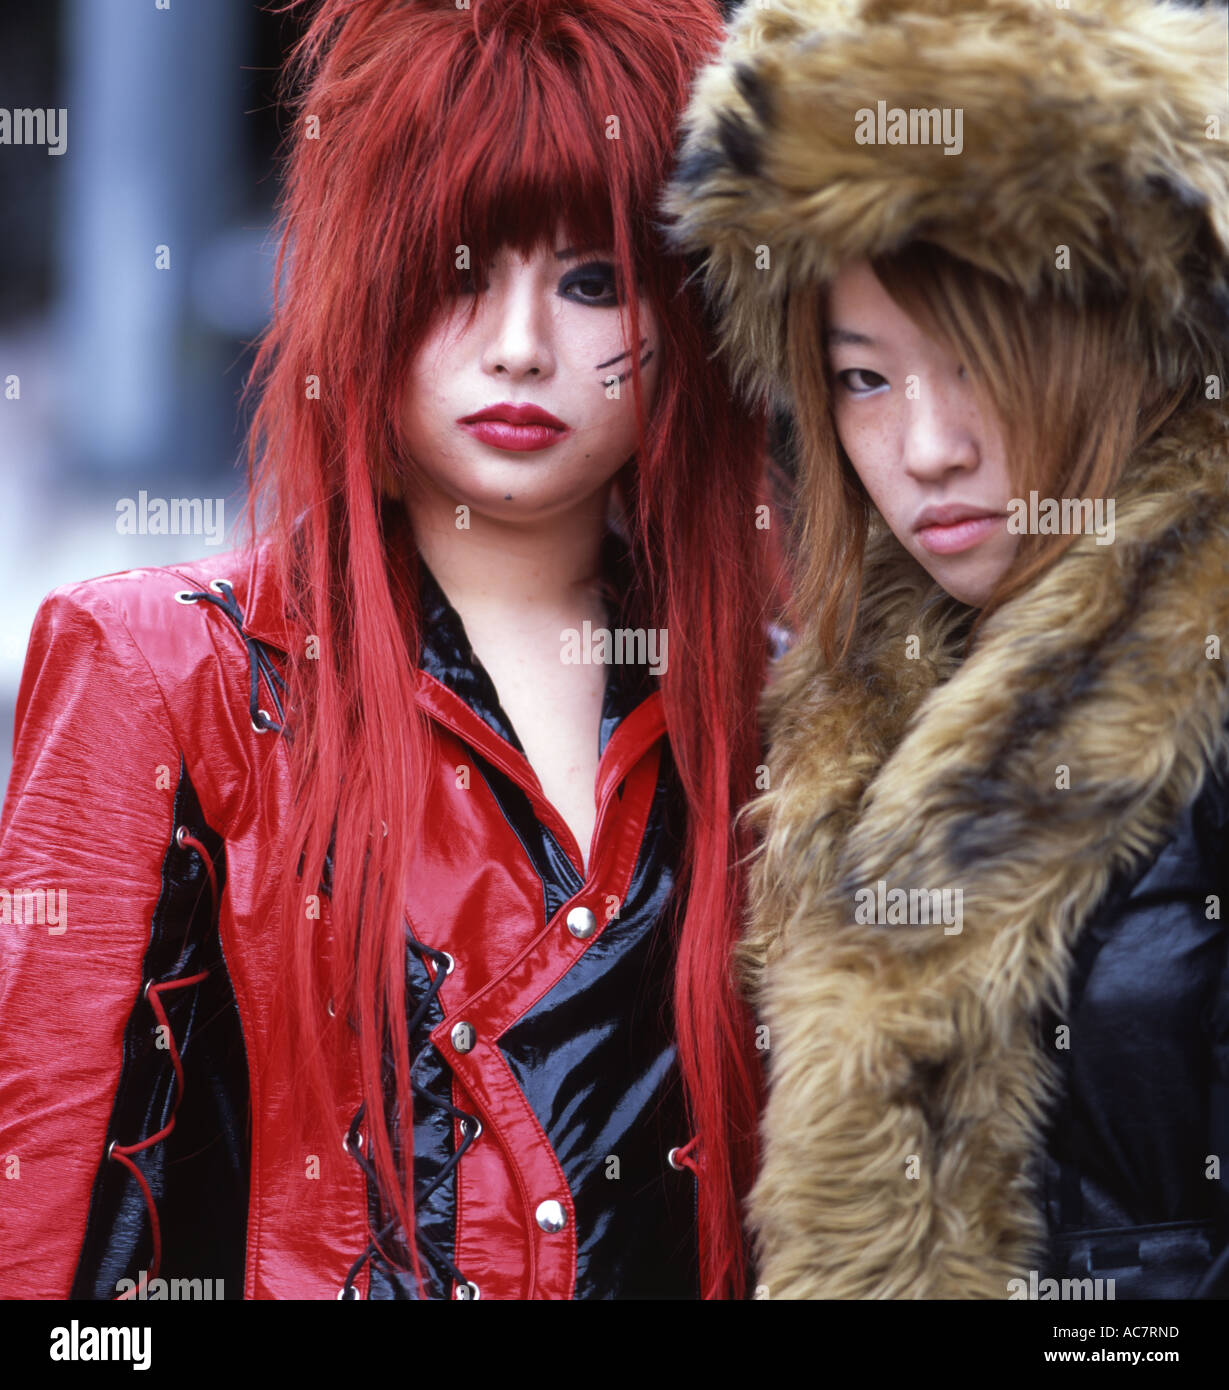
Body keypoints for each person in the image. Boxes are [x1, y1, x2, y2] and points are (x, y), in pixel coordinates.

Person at [0, 0, 781, 1301]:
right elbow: (45, 1250)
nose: (522, 345)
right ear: (366, 269)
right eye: (463, 268)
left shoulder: (776, 709)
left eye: (592, 283)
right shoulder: (163, 673)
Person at [664, 0, 1229, 1297]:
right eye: (862, 377)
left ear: (1132, 337)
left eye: (972, 362)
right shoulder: (838, 697)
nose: (923, 448)